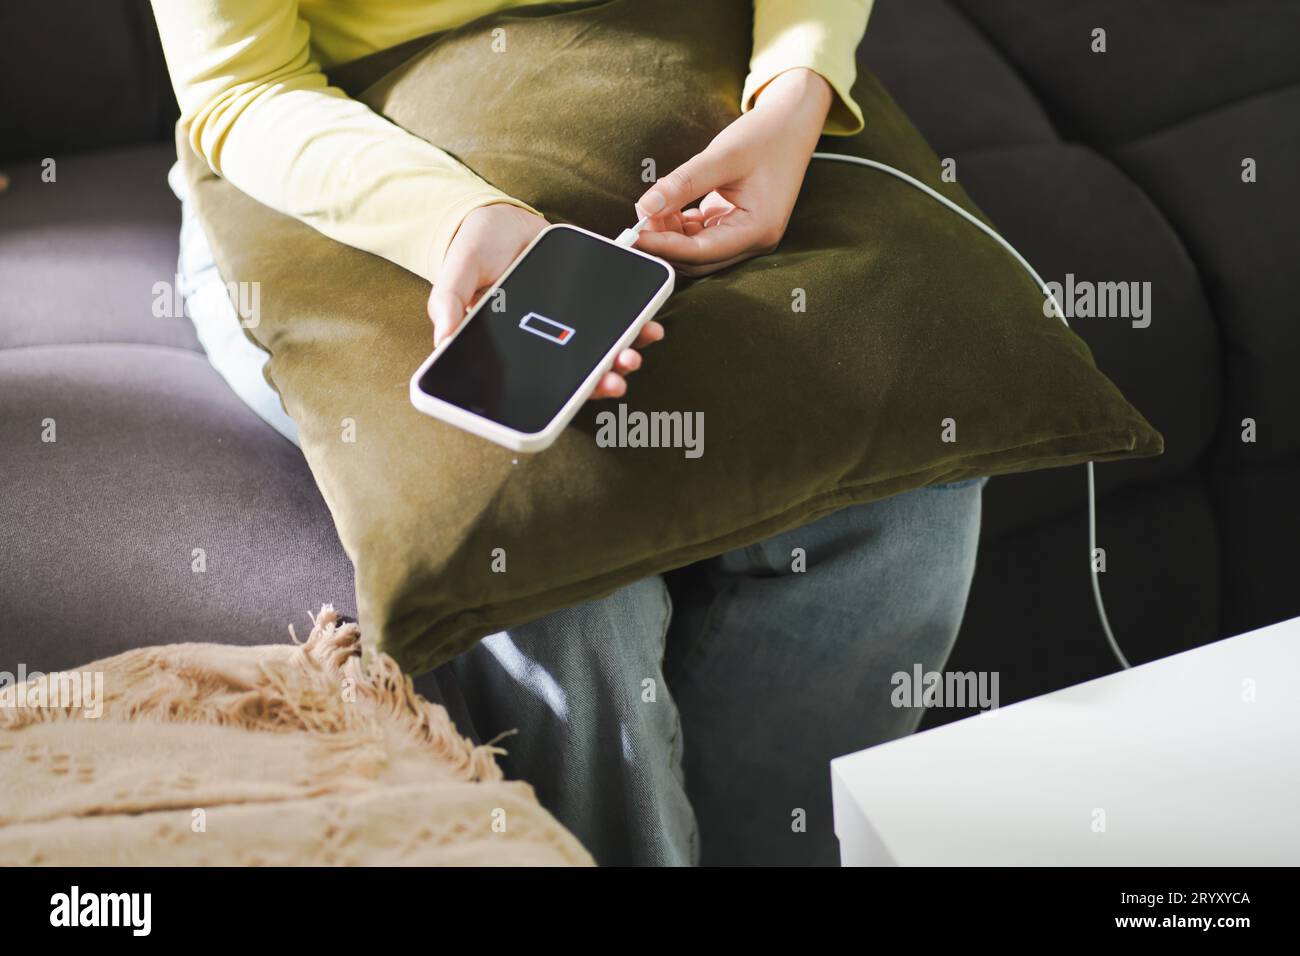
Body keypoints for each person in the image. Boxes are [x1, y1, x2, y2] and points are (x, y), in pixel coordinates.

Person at [153, 0, 985, 865]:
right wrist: (454, 222)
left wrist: (797, 83)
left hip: (677, 72)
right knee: (557, 589)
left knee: (910, 506)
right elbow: (243, 86)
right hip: (333, 159)